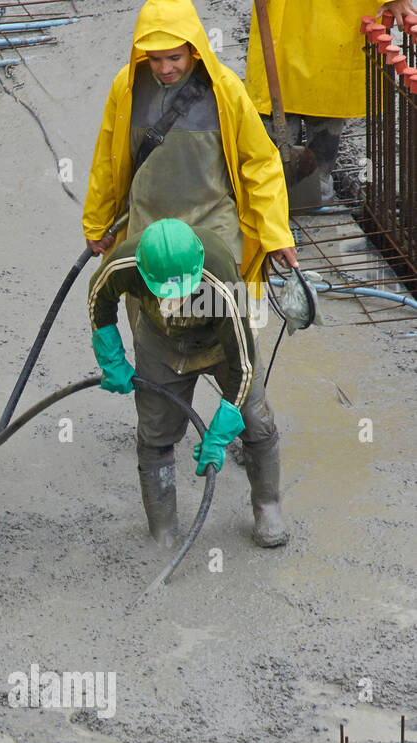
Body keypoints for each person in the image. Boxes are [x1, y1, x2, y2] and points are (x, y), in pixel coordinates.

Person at [88, 218, 288, 549]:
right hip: (161, 343)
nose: (177, 298)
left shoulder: (220, 279)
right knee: (155, 431)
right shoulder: (125, 263)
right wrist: (111, 356)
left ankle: (268, 509)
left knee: (255, 420)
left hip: (219, 346)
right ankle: (163, 530)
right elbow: (99, 298)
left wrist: (222, 428)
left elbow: (243, 363)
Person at [83, 0, 297, 280]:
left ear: (192, 49)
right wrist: (97, 225)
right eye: (155, 58)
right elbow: (106, 162)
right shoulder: (126, 87)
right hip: (148, 239)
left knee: (220, 317)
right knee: (151, 320)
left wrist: (276, 234)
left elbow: (260, 164)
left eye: (174, 57)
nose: (164, 68)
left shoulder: (225, 90)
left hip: (214, 239)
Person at [245, 0, 416, 208]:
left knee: (325, 100)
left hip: (333, 19)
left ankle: (317, 193)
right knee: (279, 104)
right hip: (284, 20)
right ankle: (278, 200)